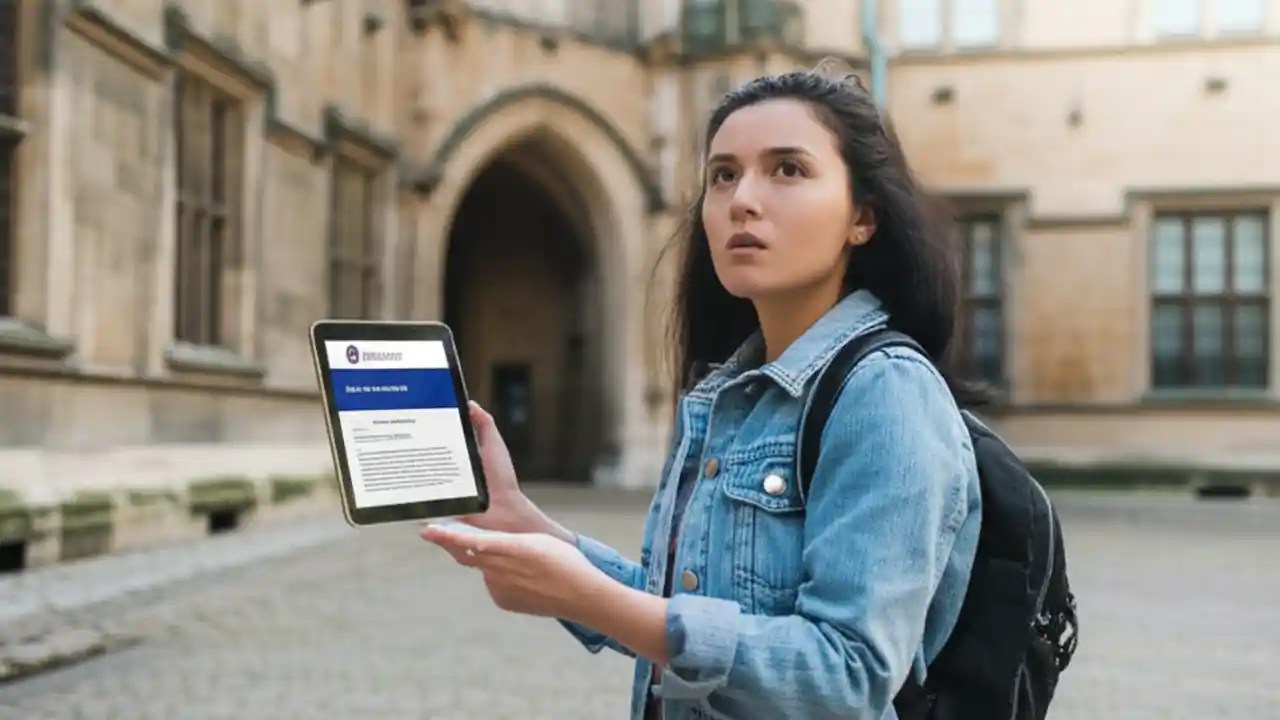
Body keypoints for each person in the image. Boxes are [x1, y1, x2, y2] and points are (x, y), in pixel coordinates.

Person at [421, 61, 984, 719]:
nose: (743, 198)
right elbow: (677, 611)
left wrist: (586, 597)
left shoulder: (885, 393)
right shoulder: (726, 395)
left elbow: (846, 674)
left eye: (788, 169)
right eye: (724, 174)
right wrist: (534, 532)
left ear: (863, 216)